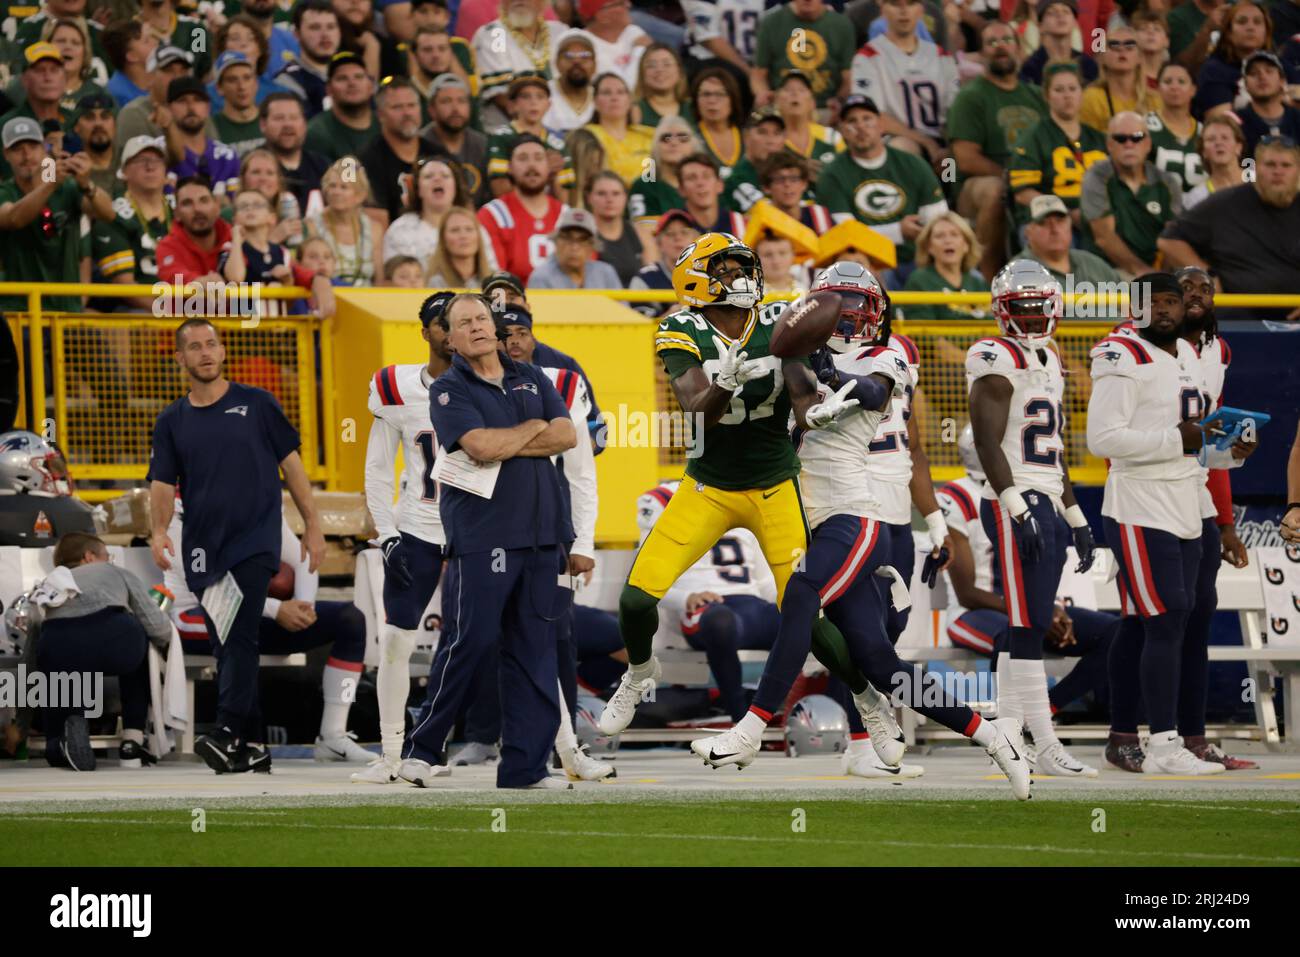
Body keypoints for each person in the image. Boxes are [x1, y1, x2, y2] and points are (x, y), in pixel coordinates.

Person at [690, 262, 1028, 793]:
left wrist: (827, 370)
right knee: (879, 661)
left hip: (855, 514)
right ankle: (991, 733)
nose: (847, 319)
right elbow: (793, 406)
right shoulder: (800, 357)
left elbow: (871, 393)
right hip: (812, 514)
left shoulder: (888, 357)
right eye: (836, 307)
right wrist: (741, 373)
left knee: (801, 593)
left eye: (855, 307)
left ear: (875, 312)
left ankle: (752, 727)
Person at [594, 233, 888, 751]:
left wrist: (814, 410)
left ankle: (868, 699)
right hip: (708, 485)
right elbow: (696, 409)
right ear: (698, 278)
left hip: (775, 484)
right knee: (636, 600)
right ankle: (639, 674)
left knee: (808, 615)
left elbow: (799, 394)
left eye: (743, 267)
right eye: (728, 270)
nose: (742, 277)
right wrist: (725, 381)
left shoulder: (777, 317)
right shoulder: (679, 328)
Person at [399, 293, 577, 790]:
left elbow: (566, 435)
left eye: (482, 318)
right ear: (450, 339)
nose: (476, 327)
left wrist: (511, 438)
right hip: (484, 534)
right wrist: (531, 429)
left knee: (534, 650)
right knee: (470, 641)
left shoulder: (532, 374)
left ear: (495, 327)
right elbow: (478, 447)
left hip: (544, 534)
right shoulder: (449, 389)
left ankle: (523, 768)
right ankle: (422, 749)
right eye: (464, 323)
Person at [147, 317, 325, 774]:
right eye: (195, 347)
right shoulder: (171, 420)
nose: (206, 353)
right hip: (204, 553)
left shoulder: (258, 403)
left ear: (222, 351)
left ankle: (226, 730)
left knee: (241, 633)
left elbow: (293, 467)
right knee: (229, 644)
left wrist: (313, 524)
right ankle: (252, 745)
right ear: (180, 358)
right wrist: (159, 530)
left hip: (254, 543)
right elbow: (163, 484)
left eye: (212, 344)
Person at [1085, 273, 1226, 774]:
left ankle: (1181, 740)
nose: (1165, 310)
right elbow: (1102, 439)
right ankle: (1163, 746)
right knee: (1164, 618)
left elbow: (1197, 436)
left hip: (1189, 494)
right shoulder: (1118, 353)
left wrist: (1229, 451)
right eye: (1155, 302)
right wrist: (1178, 440)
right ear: (1135, 307)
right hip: (1140, 501)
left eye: (1172, 301)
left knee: (1184, 616)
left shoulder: (1186, 354)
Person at [967, 259, 1100, 776]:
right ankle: (1042, 743)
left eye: (1036, 306)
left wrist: (1076, 514)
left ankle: (1009, 738)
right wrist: (1016, 506)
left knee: (1030, 623)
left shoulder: (1049, 356)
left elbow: (1054, 448)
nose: (1029, 316)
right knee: (1028, 625)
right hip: (1014, 498)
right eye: (1019, 307)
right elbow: (985, 441)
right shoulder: (994, 354)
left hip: (1043, 494)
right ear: (1003, 310)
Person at [940, 427, 1119, 724]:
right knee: (1014, 634)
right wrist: (1042, 612)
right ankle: (1007, 722)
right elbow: (967, 594)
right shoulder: (957, 496)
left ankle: (1043, 712)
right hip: (974, 614)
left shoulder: (1038, 489)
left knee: (1117, 634)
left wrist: (1049, 609)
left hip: (1034, 608)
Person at [165, 507, 369, 762]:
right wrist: (277, 608)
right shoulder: (181, 516)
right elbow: (208, 586)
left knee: (350, 620)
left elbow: (302, 559)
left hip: (255, 611)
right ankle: (240, 738)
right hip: (196, 613)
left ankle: (334, 734)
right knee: (239, 631)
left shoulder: (259, 500)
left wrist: (303, 605)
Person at [353, 292, 454, 783]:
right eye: (441, 323)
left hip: (474, 531)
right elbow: (377, 466)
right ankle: (392, 753)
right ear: (425, 331)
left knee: (473, 643)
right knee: (395, 641)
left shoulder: (490, 383)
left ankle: (433, 749)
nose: (450, 331)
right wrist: (387, 533)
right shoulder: (395, 385)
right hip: (417, 526)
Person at [1172, 265, 1259, 769]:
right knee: (1158, 623)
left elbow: (1211, 444)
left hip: (1197, 497)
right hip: (1149, 496)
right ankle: (1139, 733)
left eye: (1205, 288)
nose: (1197, 296)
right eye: (1186, 289)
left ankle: (1192, 737)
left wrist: (1225, 522)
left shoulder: (1217, 351)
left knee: (1198, 618)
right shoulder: (1146, 348)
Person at [636, 479, 781, 723]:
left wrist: (791, 602)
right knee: (720, 622)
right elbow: (643, 578)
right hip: (704, 609)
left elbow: (765, 580)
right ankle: (739, 718)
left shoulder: (749, 492)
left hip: (750, 605)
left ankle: (770, 708)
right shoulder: (664, 498)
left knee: (805, 619)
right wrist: (686, 598)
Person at [27, 533, 171, 771]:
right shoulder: (115, 572)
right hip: (114, 638)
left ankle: (60, 739)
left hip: (58, 642)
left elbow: (31, 656)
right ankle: (132, 741)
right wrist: (166, 645)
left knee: (56, 668)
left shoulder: (45, 587)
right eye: (107, 556)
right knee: (144, 639)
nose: (109, 561)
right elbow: (158, 627)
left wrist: (20, 725)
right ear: (89, 557)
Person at [947, 19, 1048, 278]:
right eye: (991, 43)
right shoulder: (971, 96)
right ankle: (985, 278)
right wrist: (1011, 177)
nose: (1000, 47)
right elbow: (965, 158)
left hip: (1029, 179)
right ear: (981, 54)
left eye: (1006, 40)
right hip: (978, 186)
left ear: (1019, 49)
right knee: (996, 191)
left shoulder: (1037, 95)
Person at [1161, 137, 1300, 315]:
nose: (1278, 171)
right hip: (1237, 314)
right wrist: (1207, 275)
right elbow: (1169, 240)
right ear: (1255, 167)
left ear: (1297, 170)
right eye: (1270, 164)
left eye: (1286, 165)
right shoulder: (1223, 203)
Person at [816, 94, 948, 278]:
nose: (861, 127)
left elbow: (938, 217)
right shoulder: (832, 174)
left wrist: (921, 234)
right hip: (867, 267)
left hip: (917, 261)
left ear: (881, 125)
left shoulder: (913, 164)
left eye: (867, 119)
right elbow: (845, 235)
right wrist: (898, 231)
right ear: (843, 131)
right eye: (852, 121)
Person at [0, 115, 113, 315]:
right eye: (17, 149)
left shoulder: (67, 187)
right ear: (6, 155)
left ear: (44, 149)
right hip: (19, 312)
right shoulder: (5, 192)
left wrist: (87, 184)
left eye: (33, 146)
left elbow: (108, 214)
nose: (27, 156)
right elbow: (13, 219)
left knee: (99, 340)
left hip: (67, 311)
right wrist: (51, 182)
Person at [850, 0, 959, 162]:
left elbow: (955, 110)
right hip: (897, 140)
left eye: (910, 3)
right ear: (883, 10)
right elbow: (870, 114)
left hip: (942, 147)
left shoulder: (941, 57)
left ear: (921, 10)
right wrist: (924, 141)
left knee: (952, 167)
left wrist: (948, 148)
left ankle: (949, 182)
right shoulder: (868, 57)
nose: (904, 11)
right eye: (895, 4)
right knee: (902, 150)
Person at [1009, 63, 1108, 233]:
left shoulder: (1099, 139)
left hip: (1098, 221)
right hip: (1050, 222)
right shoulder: (1032, 138)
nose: (1067, 96)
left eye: (1072, 89)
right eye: (1059, 90)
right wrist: (1064, 213)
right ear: (1047, 96)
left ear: (1082, 93)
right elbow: (1023, 194)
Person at [1081, 111, 1182, 276]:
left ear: (1148, 144)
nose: (1129, 144)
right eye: (1120, 138)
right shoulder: (1096, 177)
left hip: (1156, 270)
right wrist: (1142, 272)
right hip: (1107, 271)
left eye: (1137, 137)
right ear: (1109, 145)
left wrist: (1162, 277)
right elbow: (1104, 237)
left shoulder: (1167, 182)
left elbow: (1173, 237)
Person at [92, 135, 171, 306]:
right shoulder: (112, 215)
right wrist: (171, 315)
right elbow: (125, 286)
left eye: (157, 160)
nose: (150, 166)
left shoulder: (181, 209)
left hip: (185, 307)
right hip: (137, 313)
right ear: (124, 172)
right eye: (141, 160)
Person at [384, 156, 496, 274]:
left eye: (445, 176)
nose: (437, 179)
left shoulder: (473, 227)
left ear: (455, 188)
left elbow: (491, 271)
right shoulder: (400, 229)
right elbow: (392, 279)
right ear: (418, 190)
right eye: (428, 176)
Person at [478, 134, 566, 283]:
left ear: (548, 166)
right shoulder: (493, 215)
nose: (531, 165)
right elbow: (496, 281)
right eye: (523, 158)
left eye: (538, 158)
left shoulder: (566, 216)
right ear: (510, 168)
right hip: (513, 304)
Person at [473, 0, 565, 129]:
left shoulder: (559, 31)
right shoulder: (495, 34)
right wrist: (541, 130)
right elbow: (501, 96)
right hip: (510, 127)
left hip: (562, 122)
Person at [360, 75, 437, 223]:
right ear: (380, 115)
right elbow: (377, 225)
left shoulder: (438, 155)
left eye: (411, 105)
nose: (407, 113)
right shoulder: (368, 161)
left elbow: (462, 210)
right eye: (397, 107)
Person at [485, 73, 574, 199]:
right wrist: (543, 169)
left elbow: (564, 198)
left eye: (540, 96)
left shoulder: (558, 144)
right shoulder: (500, 138)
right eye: (526, 97)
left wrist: (553, 176)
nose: (533, 102)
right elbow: (500, 189)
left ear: (549, 105)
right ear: (512, 105)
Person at [752, 0, 856, 108]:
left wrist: (839, 101)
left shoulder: (842, 25)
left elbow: (849, 77)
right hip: (783, 106)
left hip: (825, 108)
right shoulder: (771, 22)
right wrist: (762, 93)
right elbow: (759, 73)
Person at [111, 46, 201, 161]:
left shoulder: (196, 112)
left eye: (183, 71)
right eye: (168, 70)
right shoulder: (134, 114)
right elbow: (143, 167)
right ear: (150, 77)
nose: (178, 78)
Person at [160, 76, 242, 201]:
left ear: (208, 108)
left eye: (198, 100)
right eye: (182, 101)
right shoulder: (157, 152)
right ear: (169, 108)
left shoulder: (227, 156)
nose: (191, 107)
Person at [305, 157, 382, 286]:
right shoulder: (311, 226)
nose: (336, 192)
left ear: (360, 195)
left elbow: (380, 279)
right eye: (332, 186)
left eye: (344, 187)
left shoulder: (374, 229)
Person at [1014, 193, 1121, 285]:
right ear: (1027, 232)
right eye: (1043, 223)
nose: (1054, 229)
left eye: (1060, 221)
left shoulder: (1093, 265)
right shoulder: (1015, 275)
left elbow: (1128, 301)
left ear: (1070, 225)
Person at [419, 74, 492, 205]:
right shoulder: (420, 144)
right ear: (431, 109)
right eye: (446, 101)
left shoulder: (482, 144)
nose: (455, 109)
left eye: (461, 101)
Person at [628, 114, 699, 248]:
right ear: (655, 147)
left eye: (683, 137)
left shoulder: (705, 183)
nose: (674, 142)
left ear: (694, 146)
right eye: (665, 138)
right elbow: (646, 236)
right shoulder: (643, 186)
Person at [901, 212, 990, 319]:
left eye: (954, 235)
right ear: (929, 247)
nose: (948, 241)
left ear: (966, 245)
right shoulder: (919, 281)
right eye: (939, 236)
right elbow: (924, 332)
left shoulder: (978, 282)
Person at [1193, 0, 1273, 119]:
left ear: (1266, 32)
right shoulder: (1214, 70)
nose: (1250, 27)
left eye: (1257, 22)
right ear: (1229, 32)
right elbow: (1221, 123)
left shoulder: (1278, 65)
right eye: (1242, 22)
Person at [1080, 25, 1160, 133]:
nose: (1122, 50)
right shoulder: (1091, 98)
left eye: (1129, 46)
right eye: (1114, 45)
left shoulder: (1155, 101)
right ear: (1102, 57)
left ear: (1140, 57)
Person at [304, 51, 379, 164]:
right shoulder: (316, 134)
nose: (352, 83)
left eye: (359, 77)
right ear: (328, 89)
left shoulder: (387, 124)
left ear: (371, 86)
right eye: (342, 78)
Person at [260, 93, 330, 213]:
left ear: (304, 124)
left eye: (294, 117)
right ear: (263, 125)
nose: (287, 124)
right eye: (279, 118)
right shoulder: (253, 166)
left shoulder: (323, 165)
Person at [583, 71, 654, 187]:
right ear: (595, 101)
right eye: (606, 93)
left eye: (620, 92)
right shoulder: (586, 135)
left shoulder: (648, 136)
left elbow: (654, 178)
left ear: (630, 100)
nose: (614, 98)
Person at [275, 0, 343, 118]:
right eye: (315, 27)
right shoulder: (286, 82)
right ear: (297, 34)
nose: (325, 34)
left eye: (331, 27)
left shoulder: (349, 72)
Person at [527, 206, 623, 289]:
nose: (574, 247)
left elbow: (622, 309)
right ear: (556, 242)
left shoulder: (606, 274)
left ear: (592, 247)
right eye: (567, 238)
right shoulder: (541, 278)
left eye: (582, 240)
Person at [1147, 61, 1205, 197]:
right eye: (1167, 81)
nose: (1174, 87)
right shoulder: (1143, 127)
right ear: (1158, 88)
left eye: (1181, 81)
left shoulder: (1205, 133)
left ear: (1193, 90)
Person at [629, 209, 702, 315]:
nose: (678, 238)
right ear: (659, 243)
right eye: (670, 234)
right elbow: (640, 324)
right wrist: (670, 317)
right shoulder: (645, 278)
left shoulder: (708, 274)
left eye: (685, 232)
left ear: (696, 240)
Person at [585, 170, 648, 285]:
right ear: (589, 197)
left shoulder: (640, 233)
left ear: (625, 197)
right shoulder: (582, 234)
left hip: (637, 301)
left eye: (616, 193)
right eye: (601, 193)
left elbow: (653, 273)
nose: (609, 200)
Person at [1019, 0, 1099, 86]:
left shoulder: (1088, 66)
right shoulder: (1030, 69)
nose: (1060, 15)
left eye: (1066, 11)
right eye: (1051, 13)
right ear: (1040, 26)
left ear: (1075, 23)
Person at [723, 108, 787, 215]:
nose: (770, 141)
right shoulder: (735, 179)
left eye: (777, 133)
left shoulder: (792, 176)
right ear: (746, 136)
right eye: (762, 132)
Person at [1235, 50, 1300, 155]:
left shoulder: (1297, 119)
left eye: (1269, 71)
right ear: (1245, 85)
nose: (1262, 76)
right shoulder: (1235, 124)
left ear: (1282, 80)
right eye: (1253, 73)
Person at [774, 69, 844, 166]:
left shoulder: (831, 137)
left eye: (801, 90)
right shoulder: (770, 140)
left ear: (812, 103)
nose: (795, 93)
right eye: (788, 89)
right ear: (777, 101)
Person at [754, 151, 834, 233]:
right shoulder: (757, 222)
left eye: (794, 179)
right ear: (766, 188)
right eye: (780, 179)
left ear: (804, 184)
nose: (787, 184)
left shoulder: (820, 218)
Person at [689, 67, 745, 181]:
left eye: (720, 94)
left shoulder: (749, 136)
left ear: (732, 99)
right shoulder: (688, 139)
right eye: (705, 94)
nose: (712, 101)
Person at [579, 0, 650, 86]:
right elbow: (621, 87)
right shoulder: (582, 45)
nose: (628, 4)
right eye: (620, 3)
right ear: (603, 16)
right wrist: (639, 51)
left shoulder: (632, 31)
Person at [677, 151, 746, 235]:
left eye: (706, 176)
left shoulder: (741, 224)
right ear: (681, 189)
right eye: (691, 178)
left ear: (720, 185)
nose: (700, 183)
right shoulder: (673, 229)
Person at [212, 52, 267, 159]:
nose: (241, 87)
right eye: (232, 80)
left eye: (247, 78)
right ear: (219, 88)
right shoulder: (210, 128)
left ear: (256, 83)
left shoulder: (272, 120)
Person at [544, 29, 598, 134]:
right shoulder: (543, 93)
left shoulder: (602, 95)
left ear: (595, 64)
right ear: (556, 63)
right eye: (568, 56)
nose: (577, 61)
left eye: (585, 56)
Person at [426, 205, 493, 287]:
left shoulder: (494, 281)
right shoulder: (433, 283)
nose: (463, 236)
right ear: (443, 239)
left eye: (469, 229)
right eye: (455, 230)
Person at [633, 41, 691, 129]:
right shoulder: (635, 110)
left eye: (667, 64)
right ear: (642, 73)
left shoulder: (693, 108)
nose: (659, 70)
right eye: (651, 65)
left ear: (679, 71)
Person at [68, 92, 116, 196]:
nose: (98, 124)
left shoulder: (129, 164)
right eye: (89, 118)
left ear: (115, 125)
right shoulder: (70, 171)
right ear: (76, 127)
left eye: (105, 117)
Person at [102, 19, 156, 108]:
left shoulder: (163, 77)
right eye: (146, 41)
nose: (155, 43)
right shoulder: (115, 95)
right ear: (132, 56)